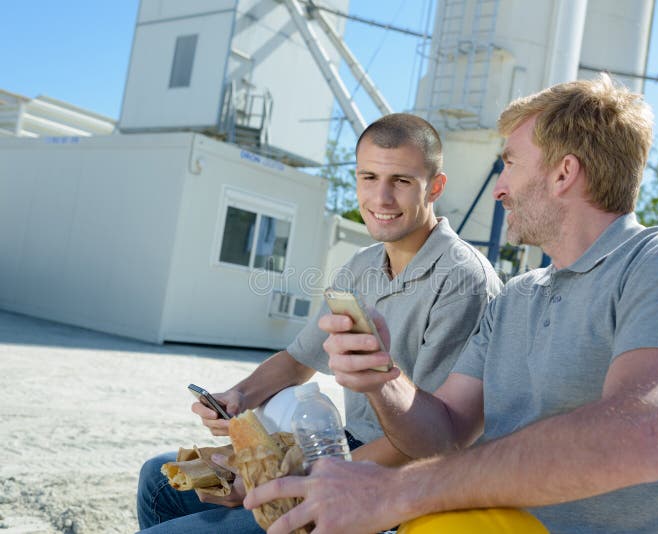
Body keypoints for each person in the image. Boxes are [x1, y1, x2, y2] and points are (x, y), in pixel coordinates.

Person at [244, 74, 658, 534]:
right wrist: (384, 377)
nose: (500, 188)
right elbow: (443, 434)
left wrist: (394, 493)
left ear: (563, 174)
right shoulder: (516, 298)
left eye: (509, 163)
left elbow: (640, 435)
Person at [136, 113, 503, 532]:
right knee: (158, 480)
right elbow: (296, 361)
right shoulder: (361, 266)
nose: (380, 198)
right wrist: (236, 398)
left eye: (401, 181)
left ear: (434, 187)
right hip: (344, 448)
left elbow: (432, 441)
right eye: (368, 177)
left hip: (396, 479)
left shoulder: (463, 280)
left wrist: (295, 482)